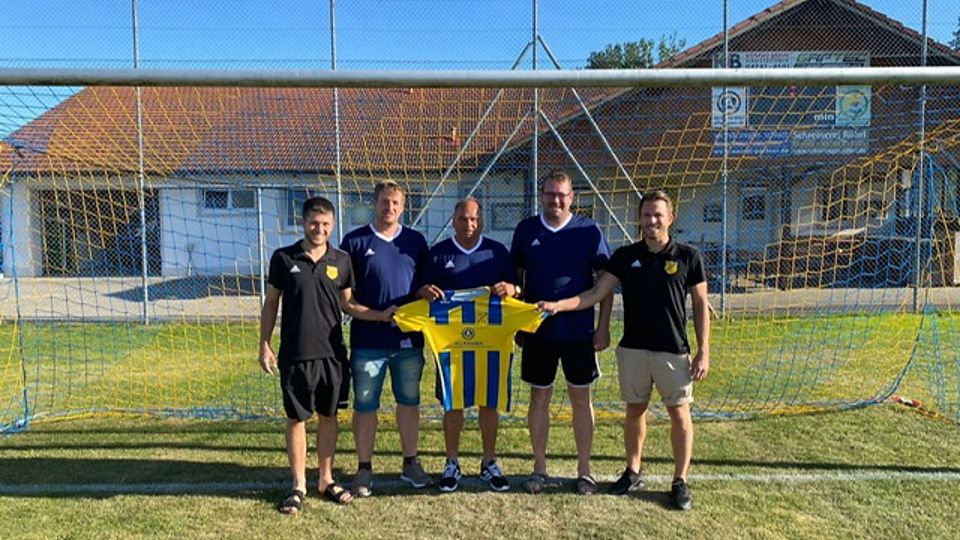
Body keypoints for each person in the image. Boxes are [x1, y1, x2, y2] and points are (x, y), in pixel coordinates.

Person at [538, 189, 710, 511]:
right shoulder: (625, 256)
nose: (651, 220)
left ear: (670, 218)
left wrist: (704, 351)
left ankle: (680, 480)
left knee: (680, 415)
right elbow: (595, 293)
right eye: (646, 215)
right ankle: (633, 471)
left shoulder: (688, 256)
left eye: (658, 214)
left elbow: (701, 305)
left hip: (673, 351)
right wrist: (558, 306)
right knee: (634, 412)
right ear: (640, 219)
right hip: (632, 350)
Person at [259, 196, 395, 514]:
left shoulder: (342, 260)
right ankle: (297, 485)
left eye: (325, 224)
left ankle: (325, 479)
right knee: (296, 419)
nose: (319, 229)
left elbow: (348, 304)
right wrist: (264, 343)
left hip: (332, 354)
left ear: (332, 226)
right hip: (295, 353)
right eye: (314, 223)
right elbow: (271, 303)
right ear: (304, 222)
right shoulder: (283, 258)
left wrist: (380, 314)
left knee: (329, 417)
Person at [510, 170, 613, 495]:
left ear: (572, 197)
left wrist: (603, 326)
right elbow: (516, 280)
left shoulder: (589, 230)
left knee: (581, 398)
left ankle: (585, 470)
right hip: (538, 331)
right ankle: (539, 468)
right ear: (542, 195)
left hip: (578, 331)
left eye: (562, 195)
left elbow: (605, 284)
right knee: (539, 396)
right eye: (550, 193)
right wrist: (517, 321)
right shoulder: (526, 230)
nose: (556, 200)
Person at [414, 197, 522, 492]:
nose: (469, 224)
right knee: (453, 402)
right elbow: (421, 290)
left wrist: (512, 288)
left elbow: (517, 288)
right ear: (453, 220)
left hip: (490, 345)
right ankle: (452, 462)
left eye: (474, 219)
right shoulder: (438, 254)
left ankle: (489, 461)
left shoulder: (496, 252)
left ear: (481, 221)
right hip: (452, 345)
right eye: (463, 218)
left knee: (489, 402)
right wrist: (423, 290)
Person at [340, 180, 433, 496]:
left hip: (408, 342)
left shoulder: (416, 242)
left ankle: (410, 463)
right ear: (374, 203)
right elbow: (346, 301)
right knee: (365, 405)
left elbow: (423, 289)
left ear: (403, 206)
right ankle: (364, 469)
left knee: (409, 402)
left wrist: (423, 292)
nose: (389, 208)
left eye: (395, 203)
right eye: (384, 202)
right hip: (368, 342)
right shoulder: (354, 242)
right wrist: (377, 315)